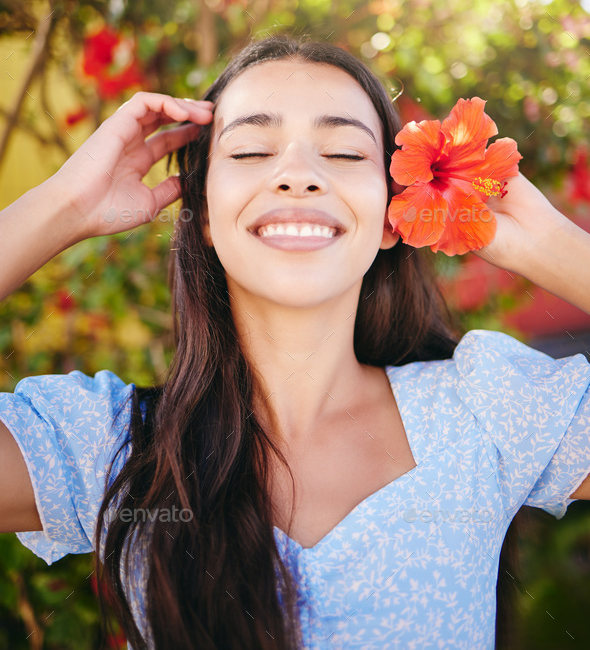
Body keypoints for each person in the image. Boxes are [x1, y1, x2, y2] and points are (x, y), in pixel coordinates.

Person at [1, 34, 590, 650]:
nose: (299, 175)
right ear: (202, 214)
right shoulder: (115, 446)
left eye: (342, 152)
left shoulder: (489, 409)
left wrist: (551, 246)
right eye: (253, 150)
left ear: (393, 217)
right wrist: (62, 206)